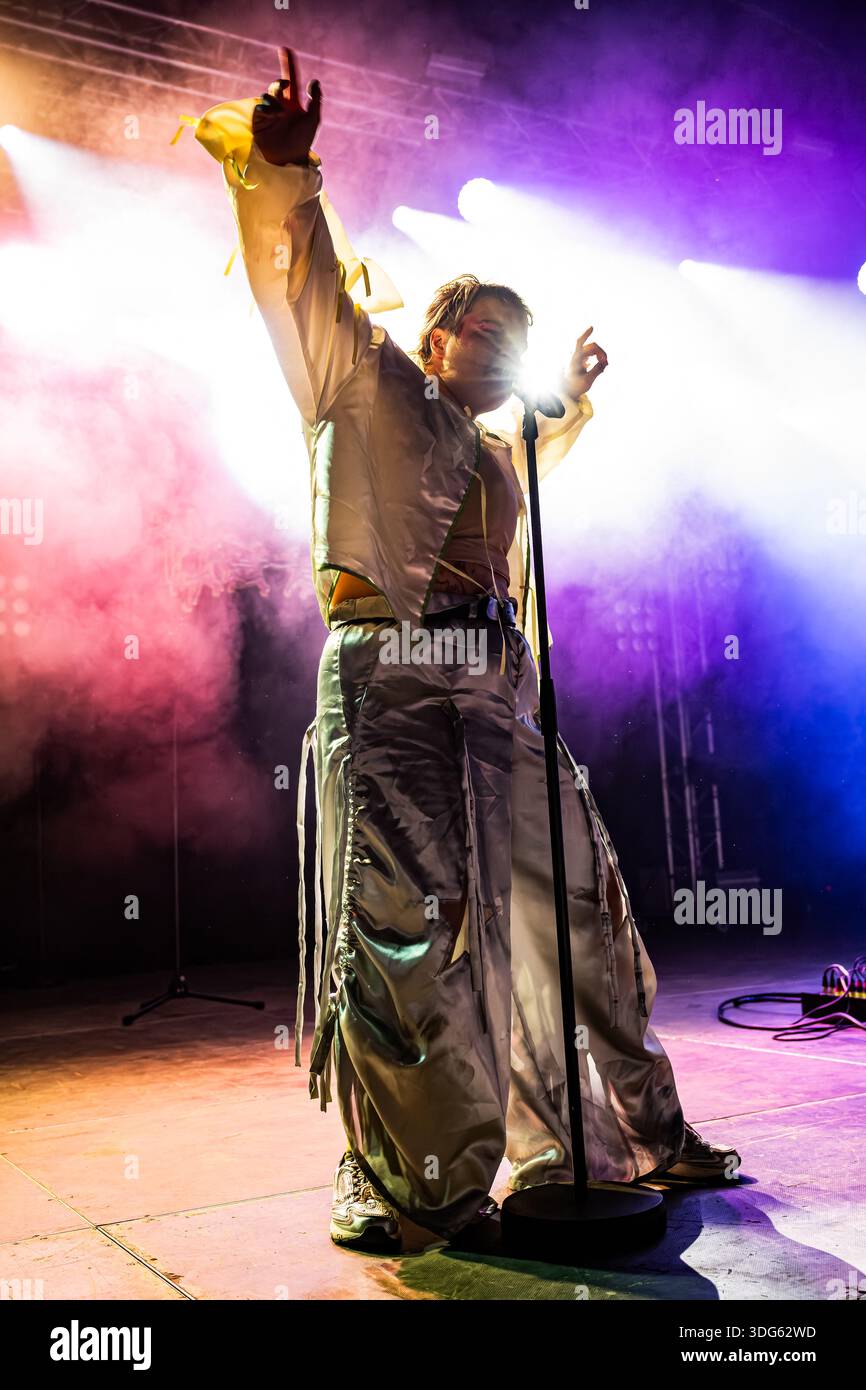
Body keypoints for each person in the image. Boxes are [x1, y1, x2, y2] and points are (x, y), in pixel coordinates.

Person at [193, 45, 741, 1253]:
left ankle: (632, 1135)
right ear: (435, 336)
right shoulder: (363, 381)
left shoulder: (498, 457)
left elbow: (521, 478)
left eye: (516, 345)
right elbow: (305, 291)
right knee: (407, 936)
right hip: (388, 686)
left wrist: (575, 396)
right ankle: (394, 1173)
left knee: (575, 906)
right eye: (484, 334)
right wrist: (285, 174)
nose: (499, 358)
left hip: (494, 695)